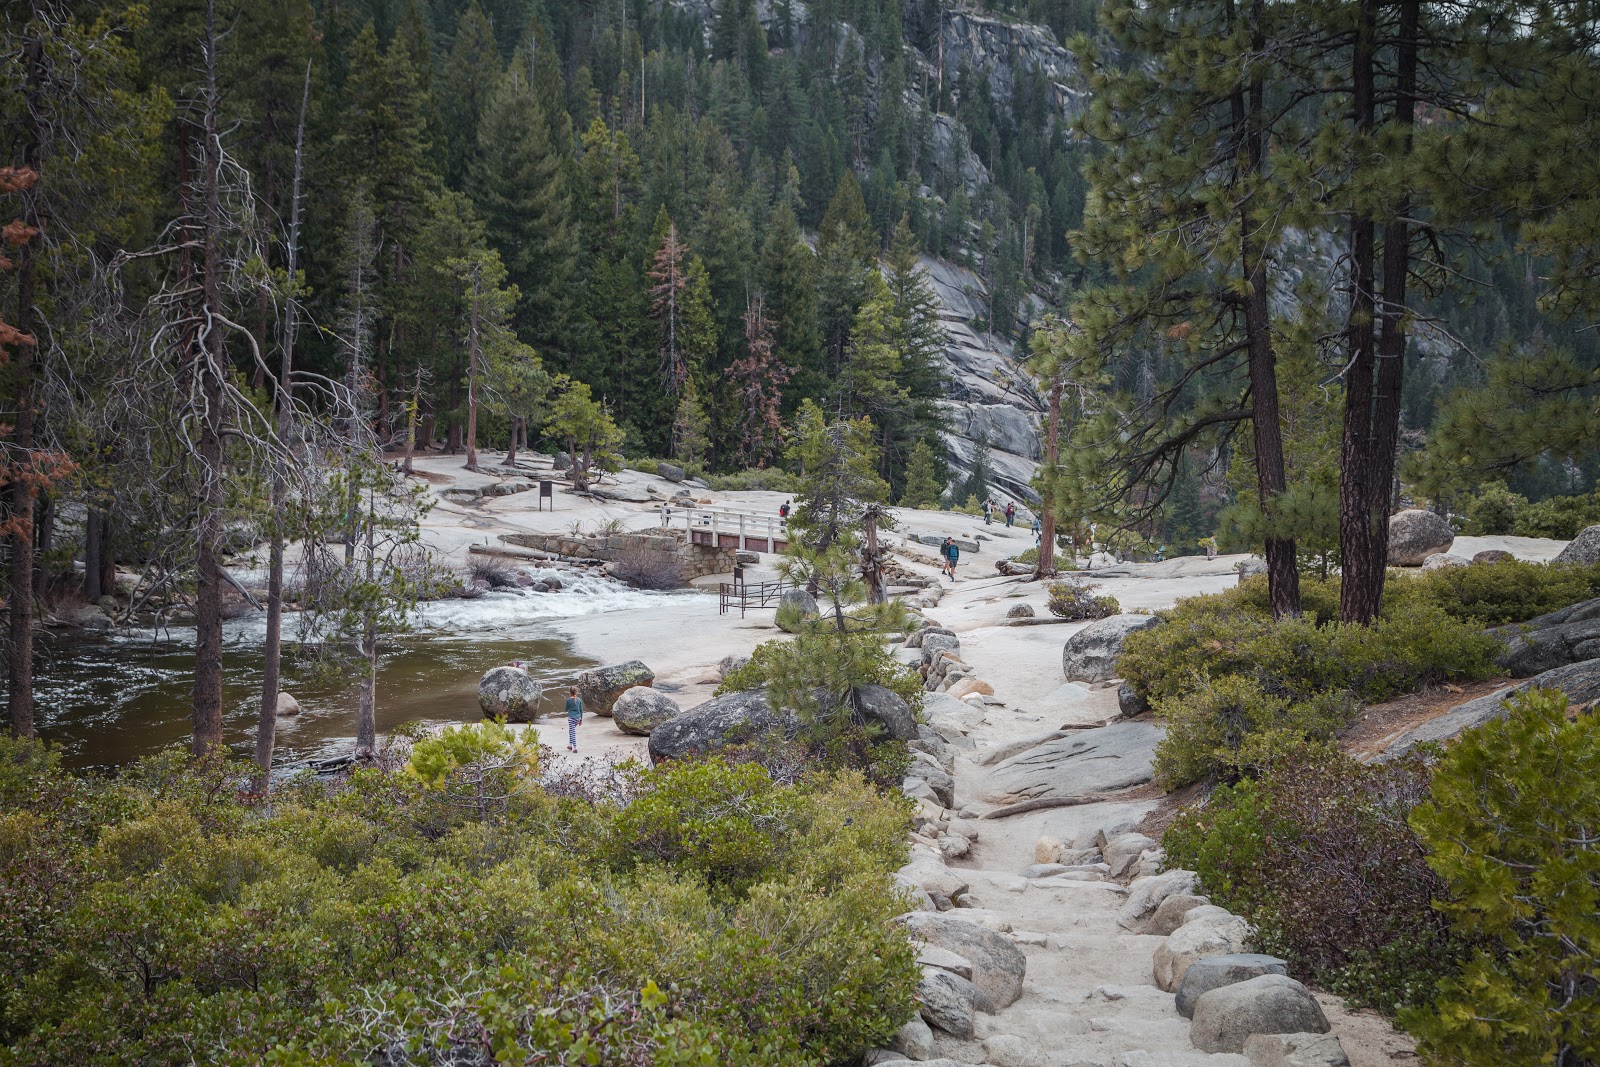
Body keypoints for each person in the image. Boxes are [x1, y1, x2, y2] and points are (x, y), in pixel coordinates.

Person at [564, 686, 584, 753]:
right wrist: (581, 720)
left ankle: (575, 748)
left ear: (570, 693)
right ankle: (570, 745)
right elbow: (581, 710)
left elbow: (566, 709)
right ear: (576, 692)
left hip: (571, 718)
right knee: (571, 731)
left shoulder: (568, 700)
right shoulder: (579, 700)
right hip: (578, 718)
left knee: (572, 733)